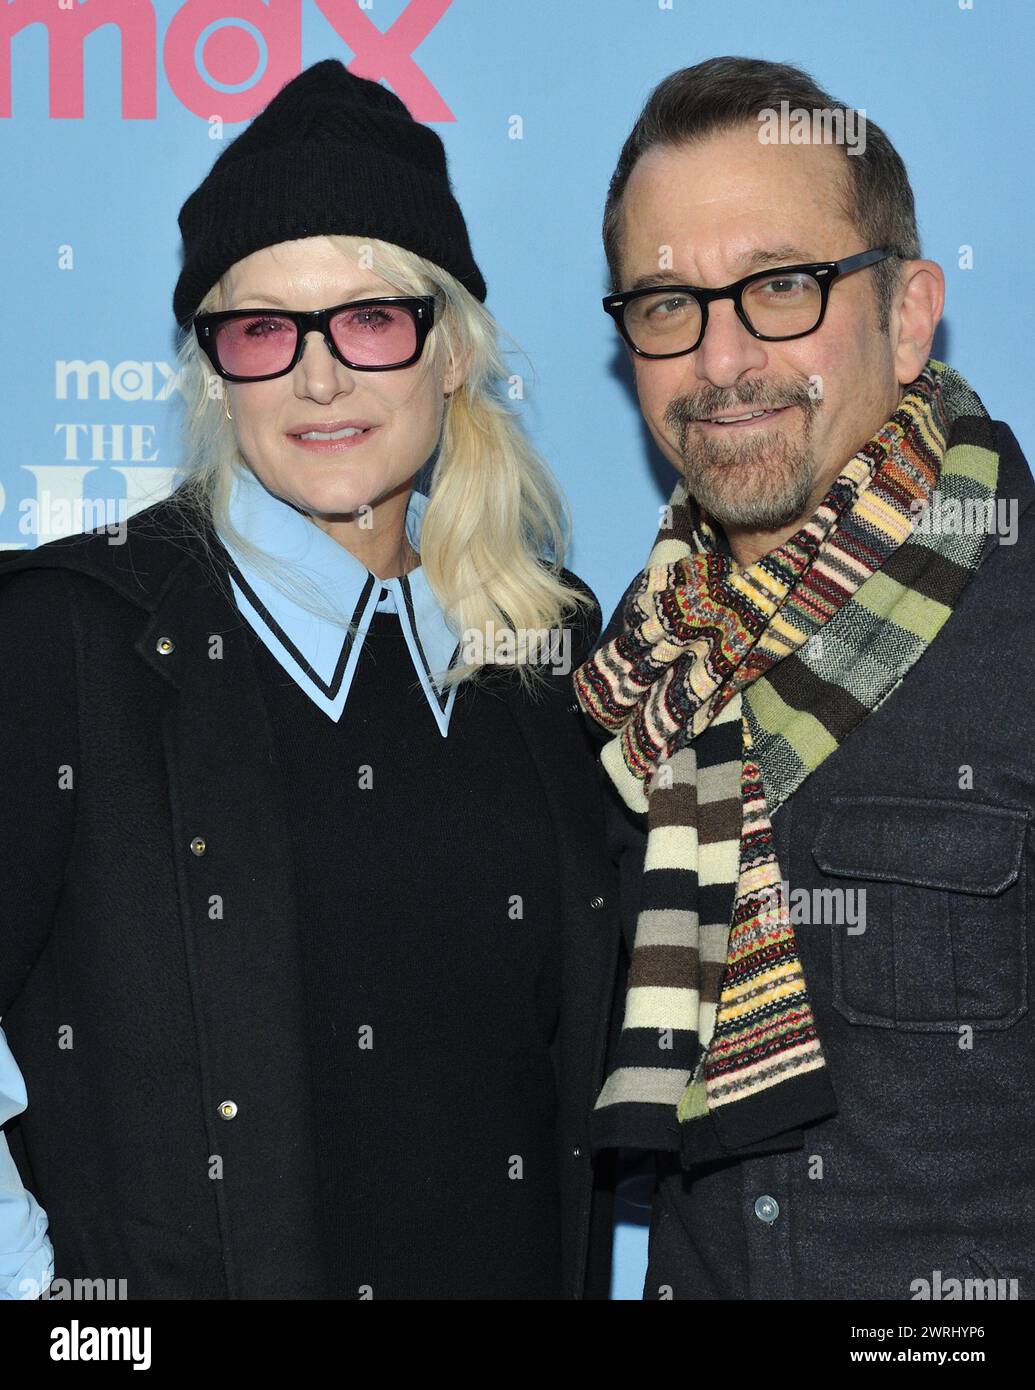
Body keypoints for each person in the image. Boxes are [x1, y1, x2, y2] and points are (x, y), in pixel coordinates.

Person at [0, 59, 623, 1300]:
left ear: (449, 353)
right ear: (217, 367)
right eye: (263, 327)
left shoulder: (546, 651)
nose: (318, 376)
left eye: (371, 318)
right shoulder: (69, 636)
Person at [574, 55, 1034, 1300]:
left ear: (910, 310)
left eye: (781, 286)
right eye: (668, 302)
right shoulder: (627, 673)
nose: (721, 359)